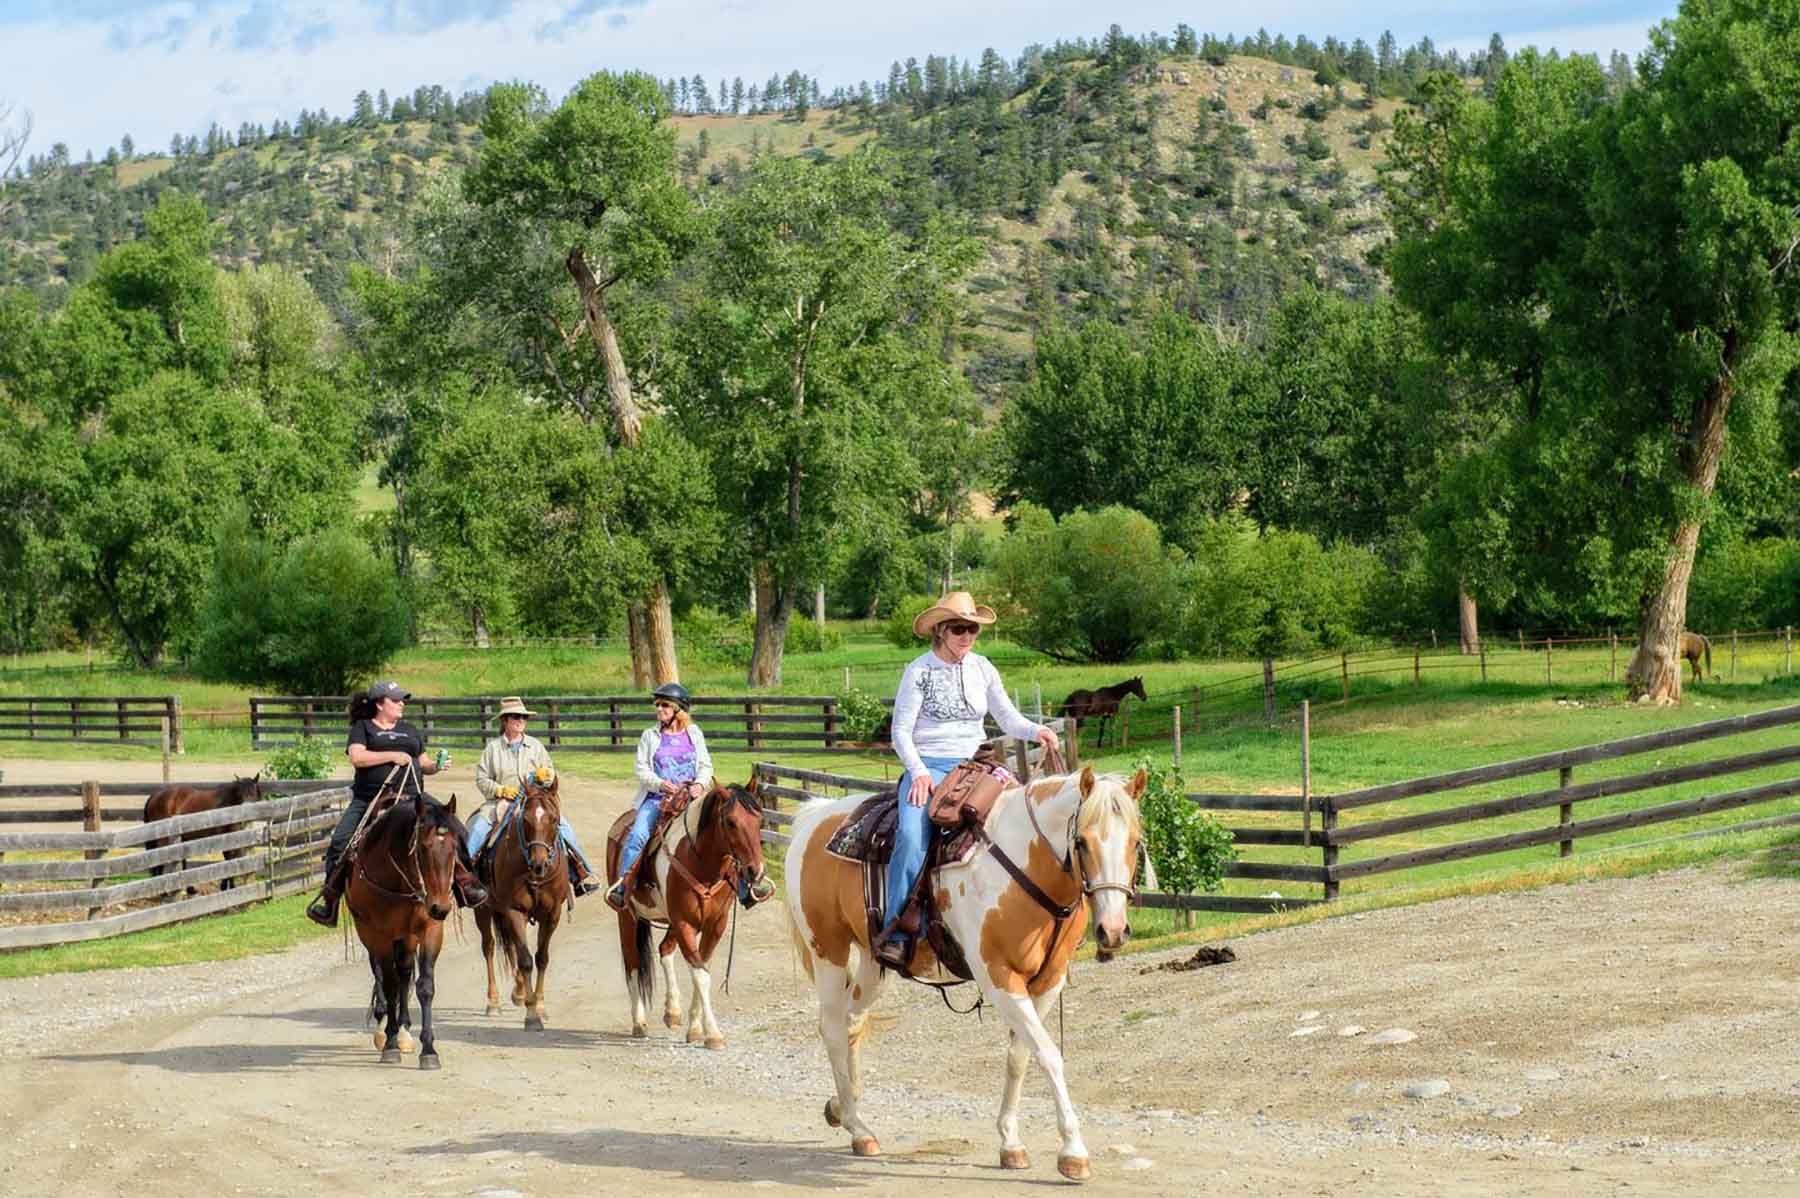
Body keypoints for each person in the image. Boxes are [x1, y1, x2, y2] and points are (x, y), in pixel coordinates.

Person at [876, 591, 1060, 969]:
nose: (967, 636)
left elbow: (1007, 718)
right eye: (959, 628)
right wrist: (919, 772)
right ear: (940, 630)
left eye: (973, 629)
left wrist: (1036, 730)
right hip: (929, 765)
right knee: (912, 838)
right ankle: (895, 929)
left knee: (1023, 822)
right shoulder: (919, 672)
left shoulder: (982, 668)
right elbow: (900, 732)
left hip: (977, 766)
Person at [305, 680, 488, 928]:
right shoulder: (363, 728)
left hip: (414, 799)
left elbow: (422, 763)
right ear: (380, 704)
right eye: (396, 700)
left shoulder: (410, 730)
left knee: (453, 828)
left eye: (402, 700)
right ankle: (330, 901)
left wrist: (435, 766)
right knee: (340, 842)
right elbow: (357, 757)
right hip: (371, 798)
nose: (402, 704)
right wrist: (392, 756)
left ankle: (466, 884)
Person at [467, 696, 601, 896]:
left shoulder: (536, 746)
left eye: (523, 717)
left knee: (563, 827)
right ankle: (466, 878)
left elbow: (550, 773)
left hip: (534, 802)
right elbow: (482, 779)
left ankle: (580, 873)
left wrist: (546, 776)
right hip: (501, 802)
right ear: (505, 721)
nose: (520, 720)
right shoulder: (493, 748)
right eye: (515, 717)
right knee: (478, 828)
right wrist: (500, 790)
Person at [605, 682, 714, 911]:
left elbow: (706, 765)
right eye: (657, 705)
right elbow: (641, 769)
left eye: (665, 705)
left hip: (692, 798)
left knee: (723, 829)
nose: (659, 709)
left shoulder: (694, 734)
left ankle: (743, 883)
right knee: (637, 836)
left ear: (679, 710)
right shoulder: (650, 736)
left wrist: (699, 784)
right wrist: (661, 784)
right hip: (659, 799)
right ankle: (623, 887)